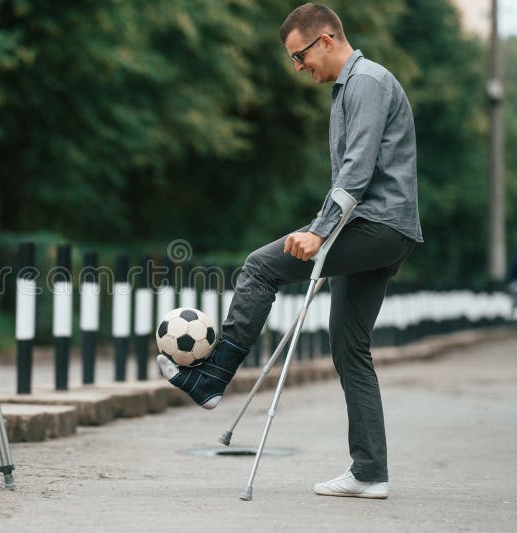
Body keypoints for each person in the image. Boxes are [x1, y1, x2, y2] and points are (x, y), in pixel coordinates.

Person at [158, 3, 422, 500]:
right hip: (384, 229)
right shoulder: (353, 86)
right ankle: (370, 472)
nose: (298, 67)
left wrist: (320, 232)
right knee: (349, 347)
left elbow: (357, 171)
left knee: (259, 267)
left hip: (375, 224)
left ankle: (212, 378)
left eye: (299, 55)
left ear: (325, 40)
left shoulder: (366, 82)